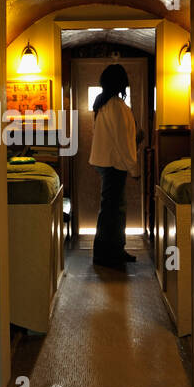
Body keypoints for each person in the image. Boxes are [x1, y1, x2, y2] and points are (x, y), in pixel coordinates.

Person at [88, 63, 144, 268]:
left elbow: (117, 139)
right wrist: (134, 168)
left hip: (108, 163)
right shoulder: (116, 106)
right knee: (113, 210)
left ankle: (112, 251)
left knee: (112, 210)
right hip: (113, 164)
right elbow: (122, 142)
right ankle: (107, 254)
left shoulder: (104, 104)